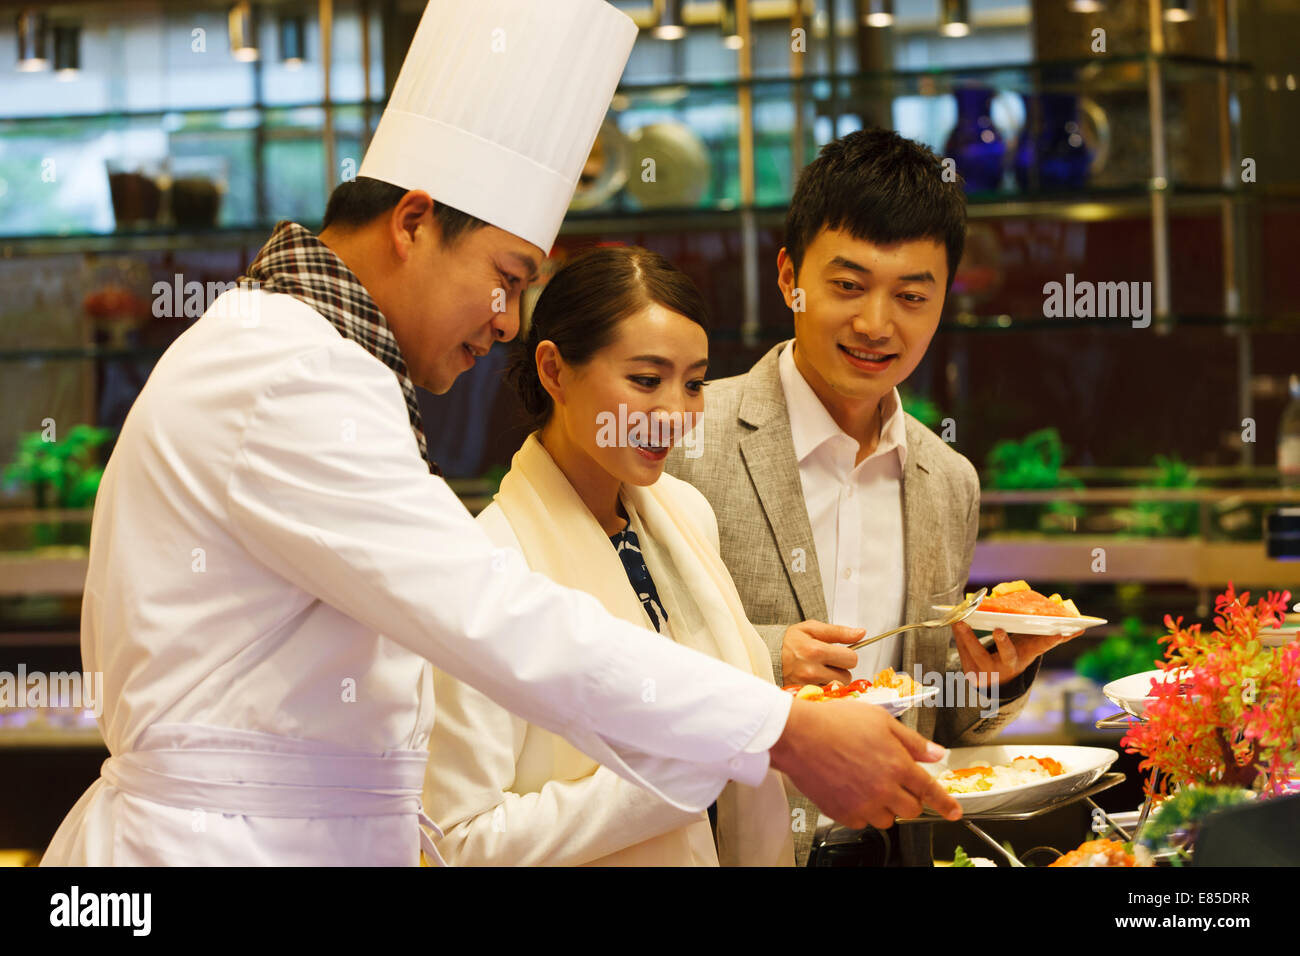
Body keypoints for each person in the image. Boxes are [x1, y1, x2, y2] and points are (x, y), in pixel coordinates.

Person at [40, 4, 960, 867]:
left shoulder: (312, 354)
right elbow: (495, 616)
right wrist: (779, 729)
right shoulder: (289, 371)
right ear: (414, 223)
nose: (509, 320)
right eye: (508, 277)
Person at [667, 128, 1082, 866]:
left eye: (912, 296)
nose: (876, 324)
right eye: (848, 286)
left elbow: (939, 724)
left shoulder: (947, 479)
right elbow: (616, 651)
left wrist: (994, 680)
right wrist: (768, 657)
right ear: (790, 277)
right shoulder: (685, 439)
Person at [425, 247, 794, 866]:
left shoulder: (685, 514)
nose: (675, 414)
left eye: (694, 383)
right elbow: (456, 842)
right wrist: (682, 772)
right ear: (554, 370)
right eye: (646, 380)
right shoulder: (488, 568)